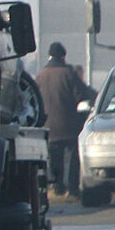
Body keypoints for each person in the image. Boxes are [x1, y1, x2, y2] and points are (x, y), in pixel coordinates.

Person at [34, 41, 95, 197]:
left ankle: (58, 186)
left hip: (49, 126)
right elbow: (82, 94)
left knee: (55, 158)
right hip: (69, 124)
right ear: (63, 56)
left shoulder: (41, 75)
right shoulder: (68, 73)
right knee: (75, 156)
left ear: (49, 56)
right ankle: (73, 188)